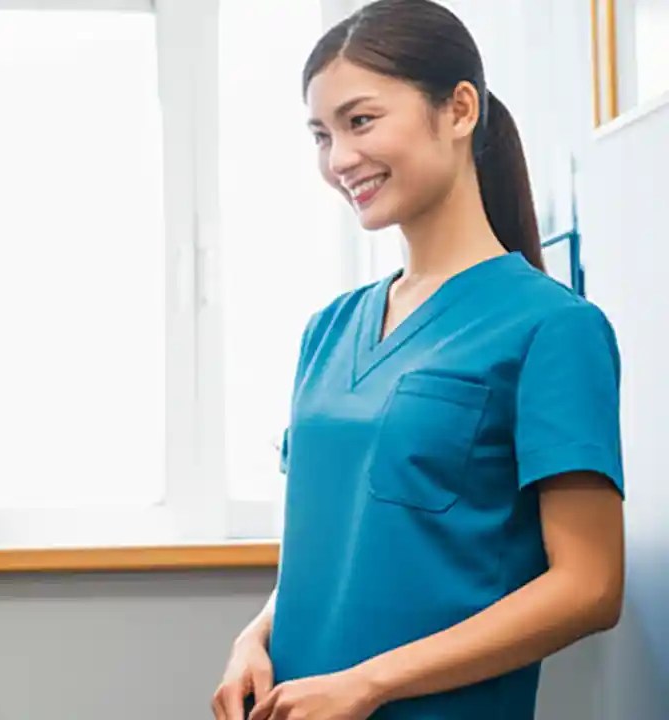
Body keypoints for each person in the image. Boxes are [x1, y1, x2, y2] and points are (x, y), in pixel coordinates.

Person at [211, 1, 625, 718]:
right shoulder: (327, 330)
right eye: (321, 134)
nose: (338, 159)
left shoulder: (553, 329)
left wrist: (370, 683)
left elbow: (589, 587)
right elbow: (334, 539)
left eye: (361, 121)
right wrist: (258, 633)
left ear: (459, 109)